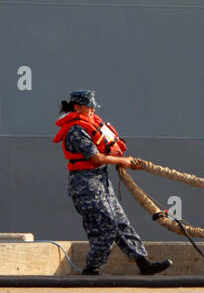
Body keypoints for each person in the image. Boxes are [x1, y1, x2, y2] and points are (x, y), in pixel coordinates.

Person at [51, 90, 172, 276]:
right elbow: (95, 158)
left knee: (122, 223)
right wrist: (124, 162)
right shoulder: (76, 130)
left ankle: (143, 263)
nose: (92, 110)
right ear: (77, 107)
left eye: (93, 107)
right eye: (89, 107)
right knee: (105, 225)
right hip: (85, 185)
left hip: (101, 182)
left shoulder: (92, 124)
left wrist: (124, 159)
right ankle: (92, 268)